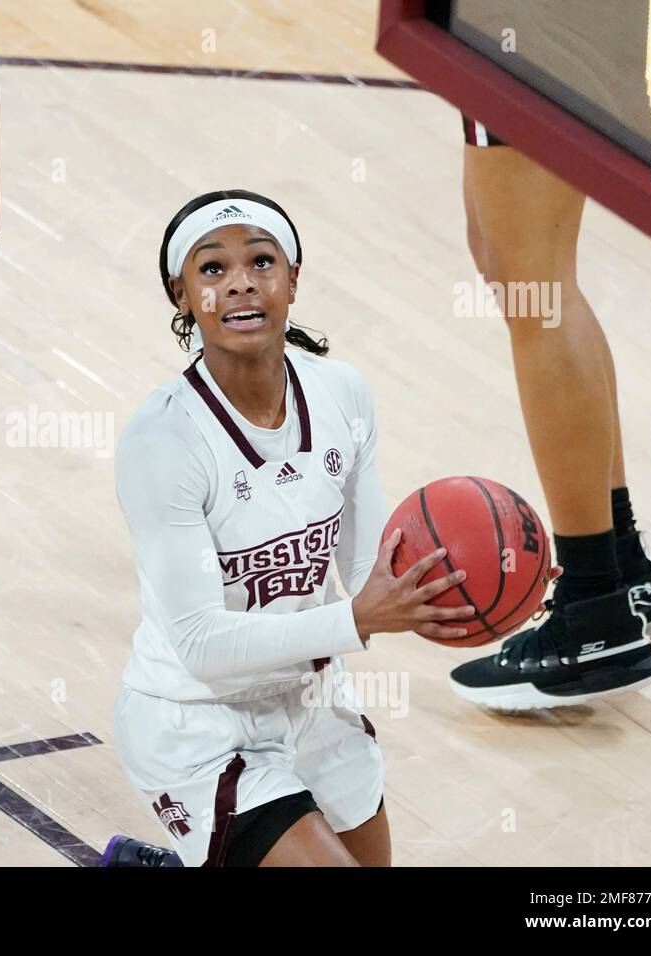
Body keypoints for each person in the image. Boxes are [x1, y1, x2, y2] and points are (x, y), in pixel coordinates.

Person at [110, 190, 470, 866]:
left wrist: (473, 588)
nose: (241, 281)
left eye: (262, 261)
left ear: (293, 281)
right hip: (195, 717)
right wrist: (354, 622)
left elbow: (371, 576)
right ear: (181, 296)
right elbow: (200, 643)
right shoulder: (162, 441)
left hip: (311, 702)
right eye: (212, 269)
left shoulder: (341, 394)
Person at [449, 117, 651, 709]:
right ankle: (622, 567)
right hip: (535, 21)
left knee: (534, 285)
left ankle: (593, 607)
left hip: (524, 22)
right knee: (513, 266)